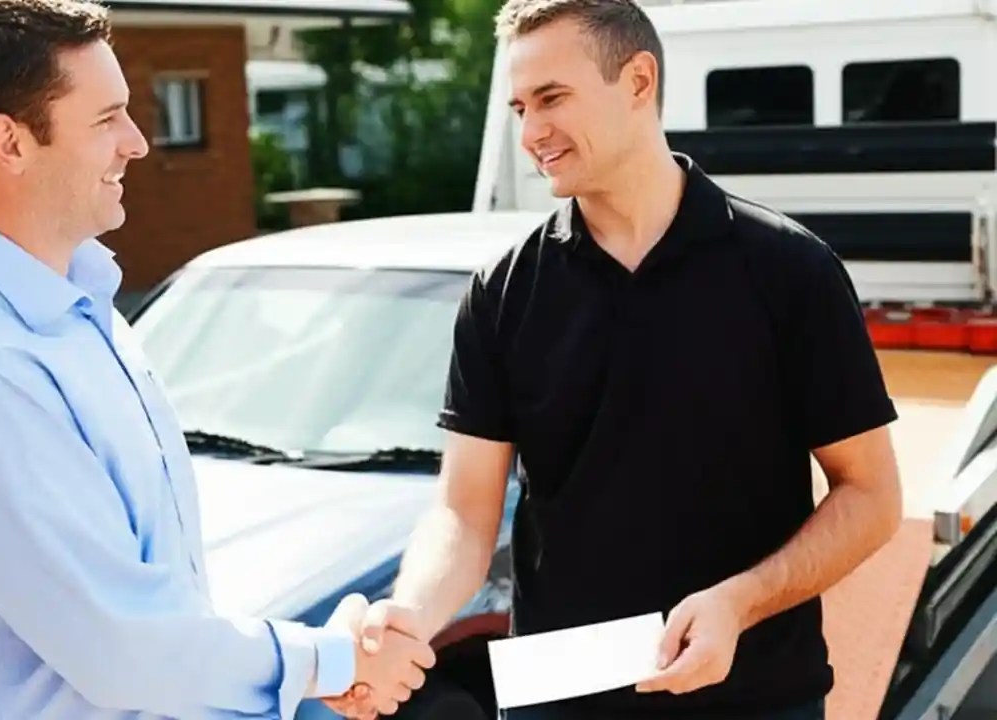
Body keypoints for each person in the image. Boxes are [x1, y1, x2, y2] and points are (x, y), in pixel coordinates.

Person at [336, 0, 904, 719]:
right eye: (519, 107)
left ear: (638, 81)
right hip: (557, 695)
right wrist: (410, 615)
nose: (531, 132)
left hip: (754, 698)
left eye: (551, 98)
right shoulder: (504, 292)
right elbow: (464, 512)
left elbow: (872, 496)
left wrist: (741, 601)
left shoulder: (790, 272)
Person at [0, 1, 433, 718]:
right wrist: (332, 661)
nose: (137, 143)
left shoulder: (82, 306)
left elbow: (155, 606)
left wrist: (317, 666)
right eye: (107, 119)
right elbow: (129, 652)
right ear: (9, 143)